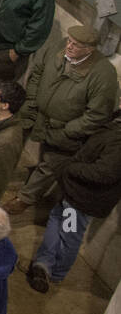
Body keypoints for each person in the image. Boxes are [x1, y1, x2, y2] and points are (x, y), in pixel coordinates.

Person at [7, 26, 120, 217]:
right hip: (39, 117)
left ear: (90, 49)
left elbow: (97, 115)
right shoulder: (59, 48)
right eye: (70, 41)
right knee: (31, 149)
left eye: (77, 45)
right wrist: (32, 100)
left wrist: (68, 130)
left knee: (51, 163)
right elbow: (38, 72)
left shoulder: (103, 74)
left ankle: (25, 199)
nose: (70, 46)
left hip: (65, 130)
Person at [26, 113, 121, 293]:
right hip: (74, 192)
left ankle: (55, 273)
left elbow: (105, 173)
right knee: (56, 220)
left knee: (68, 233)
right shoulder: (114, 124)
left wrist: (70, 168)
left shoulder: (118, 138)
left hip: (83, 198)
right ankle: (43, 264)